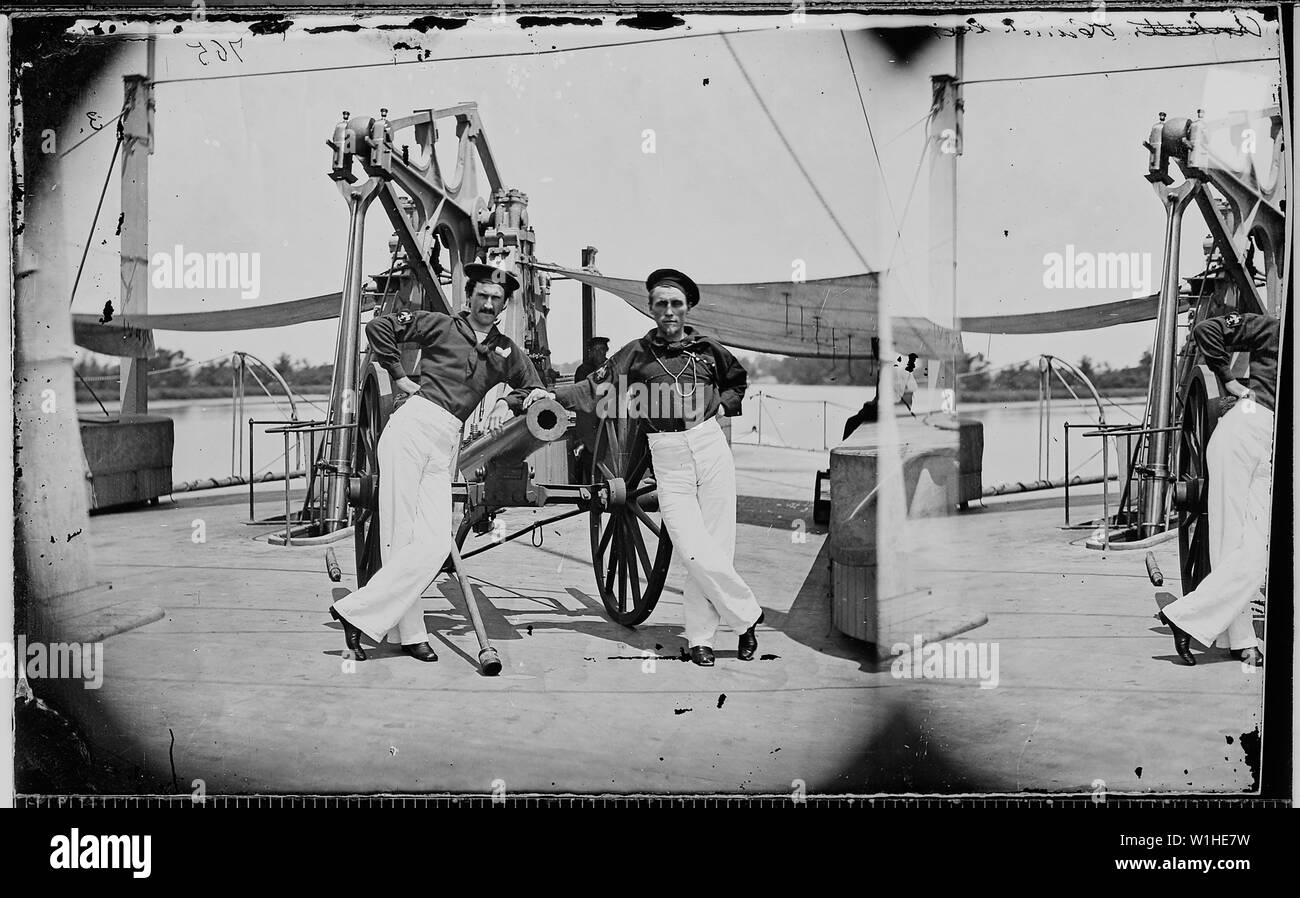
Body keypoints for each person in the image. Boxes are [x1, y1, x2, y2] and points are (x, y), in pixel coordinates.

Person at [328, 262, 553, 663]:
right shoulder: (441, 325)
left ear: (503, 306)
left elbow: (534, 387)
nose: (487, 303)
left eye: (495, 299)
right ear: (469, 297)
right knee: (399, 537)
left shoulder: (505, 351)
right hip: (412, 426)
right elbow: (379, 327)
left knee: (432, 543)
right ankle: (410, 634)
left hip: (446, 441)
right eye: (481, 295)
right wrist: (397, 373)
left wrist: (506, 400)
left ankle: (355, 613)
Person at [553, 268, 765, 666]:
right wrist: (537, 396)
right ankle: (748, 616)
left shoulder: (707, 349)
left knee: (719, 546)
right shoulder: (635, 354)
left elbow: (737, 380)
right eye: (661, 304)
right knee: (692, 548)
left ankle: (701, 638)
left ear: (687, 309)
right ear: (651, 308)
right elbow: (593, 388)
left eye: (676, 304)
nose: (669, 311)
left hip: (709, 446)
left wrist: (721, 404)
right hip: (666, 455)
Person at [1158, 309, 1279, 667]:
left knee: (1255, 554)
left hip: (1269, 449)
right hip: (1245, 428)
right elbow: (1206, 329)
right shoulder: (1273, 328)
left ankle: (1186, 618)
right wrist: (1227, 379)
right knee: (1231, 544)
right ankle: (1240, 641)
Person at [570, 336, 610, 483]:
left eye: (602, 349)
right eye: (596, 350)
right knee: (586, 455)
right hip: (588, 420)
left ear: (607, 350)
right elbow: (582, 395)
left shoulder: (611, 367)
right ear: (590, 352)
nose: (600, 352)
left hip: (608, 419)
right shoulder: (583, 371)